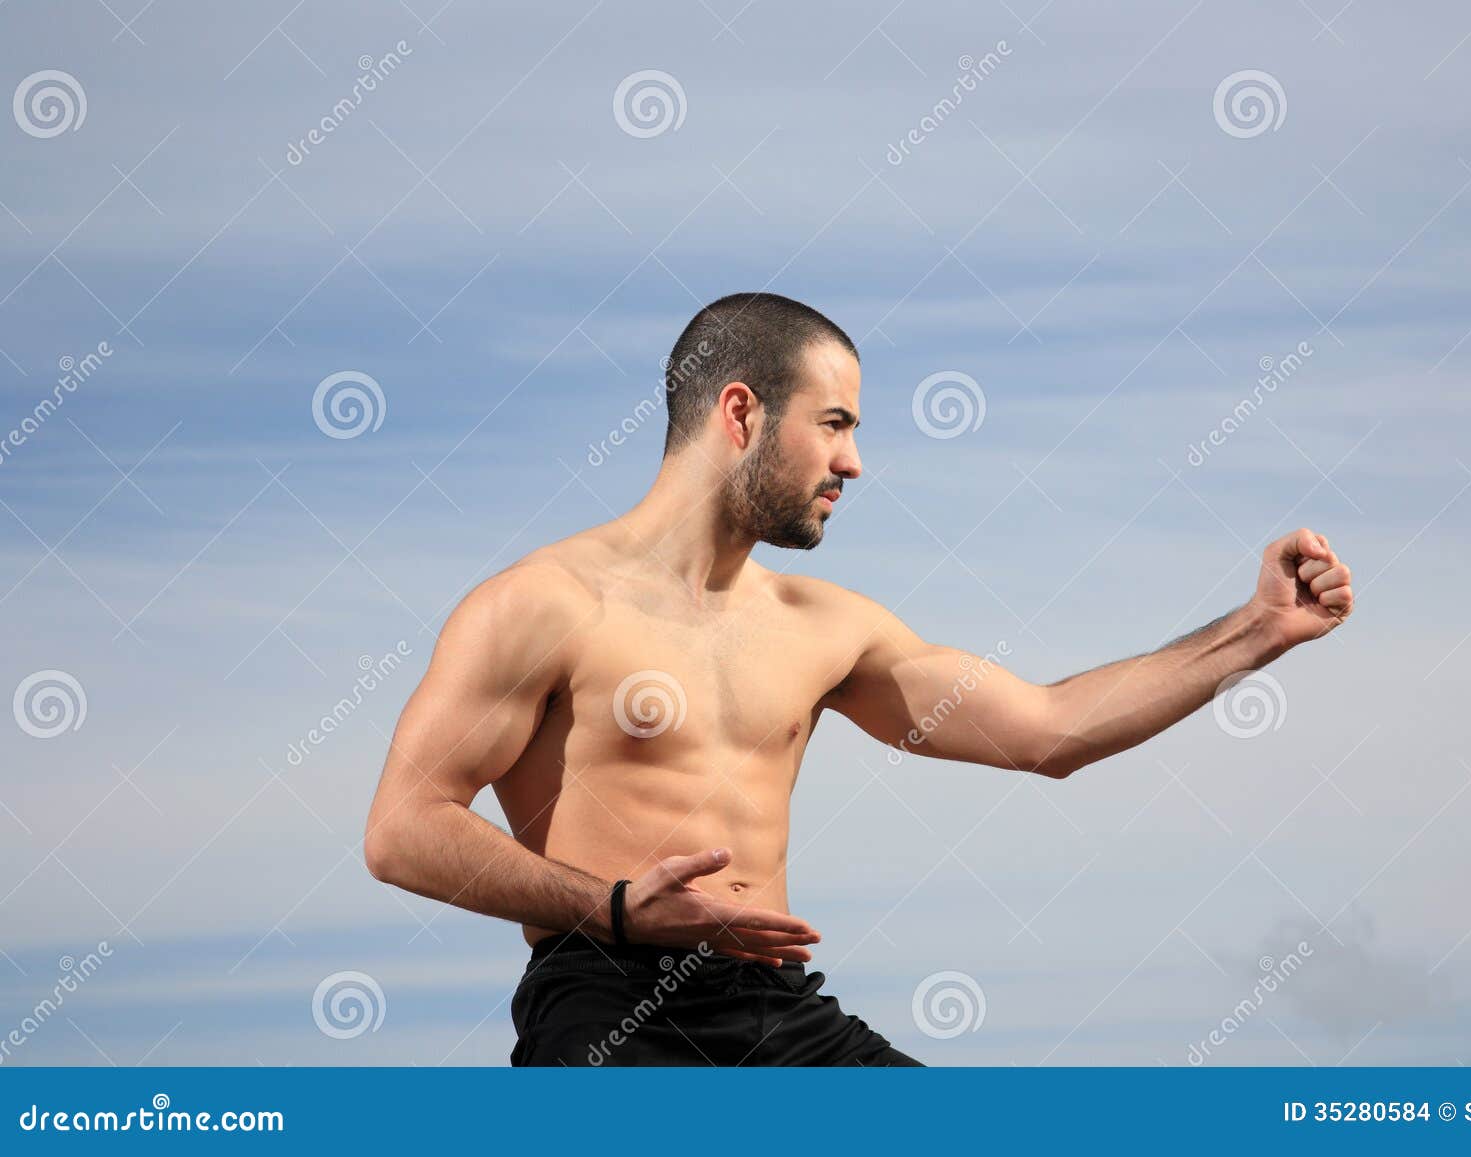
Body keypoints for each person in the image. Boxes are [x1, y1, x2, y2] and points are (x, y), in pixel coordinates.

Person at [361, 291, 1355, 1066]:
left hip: (780, 1013)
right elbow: (402, 829)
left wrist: (1255, 630)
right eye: (835, 423)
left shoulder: (824, 626)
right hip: (608, 1010)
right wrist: (617, 906)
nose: (855, 461)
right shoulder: (544, 603)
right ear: (740, 412)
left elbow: (1049, 731)